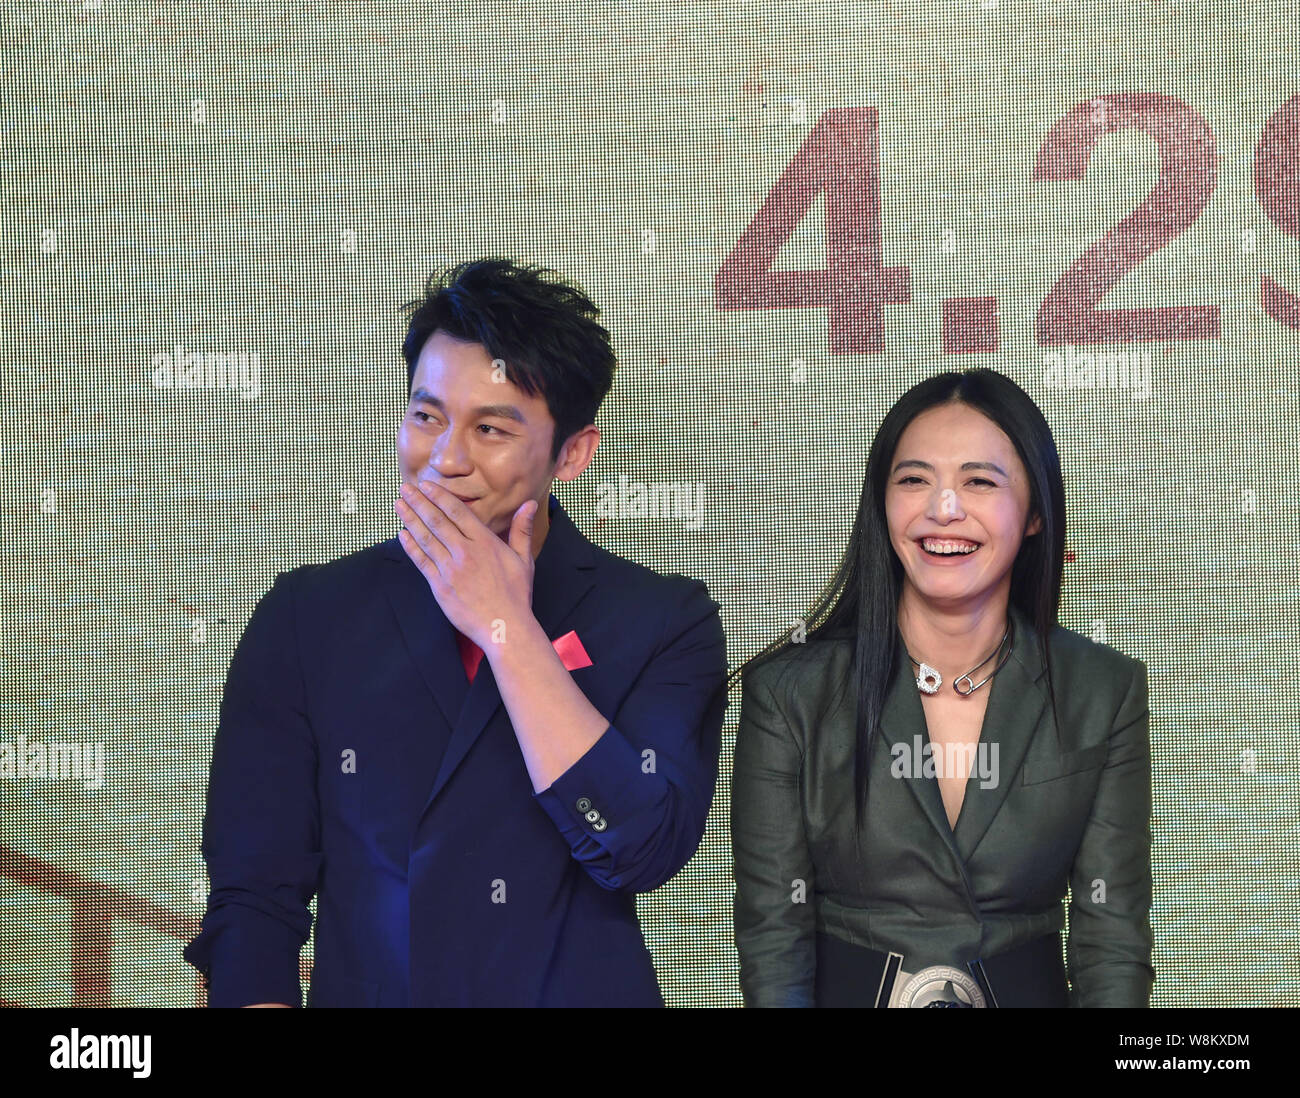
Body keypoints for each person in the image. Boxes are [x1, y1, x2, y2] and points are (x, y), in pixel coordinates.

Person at [182, 258, 727, 1007]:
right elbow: (254, 894)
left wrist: (505, 626)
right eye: (426, 415)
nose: (445, 460)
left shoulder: (664, 619)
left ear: (573, 453)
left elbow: (639, 848)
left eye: (491, 428)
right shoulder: (310, 614)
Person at [731, 368, 1153, 1007]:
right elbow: (773, 934)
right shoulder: (791, 692)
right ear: (882, 503)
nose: (943, 508)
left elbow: (1111, 935)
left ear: (1036, 512)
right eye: (914, 481)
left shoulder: (1102, 689)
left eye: (979, 482)